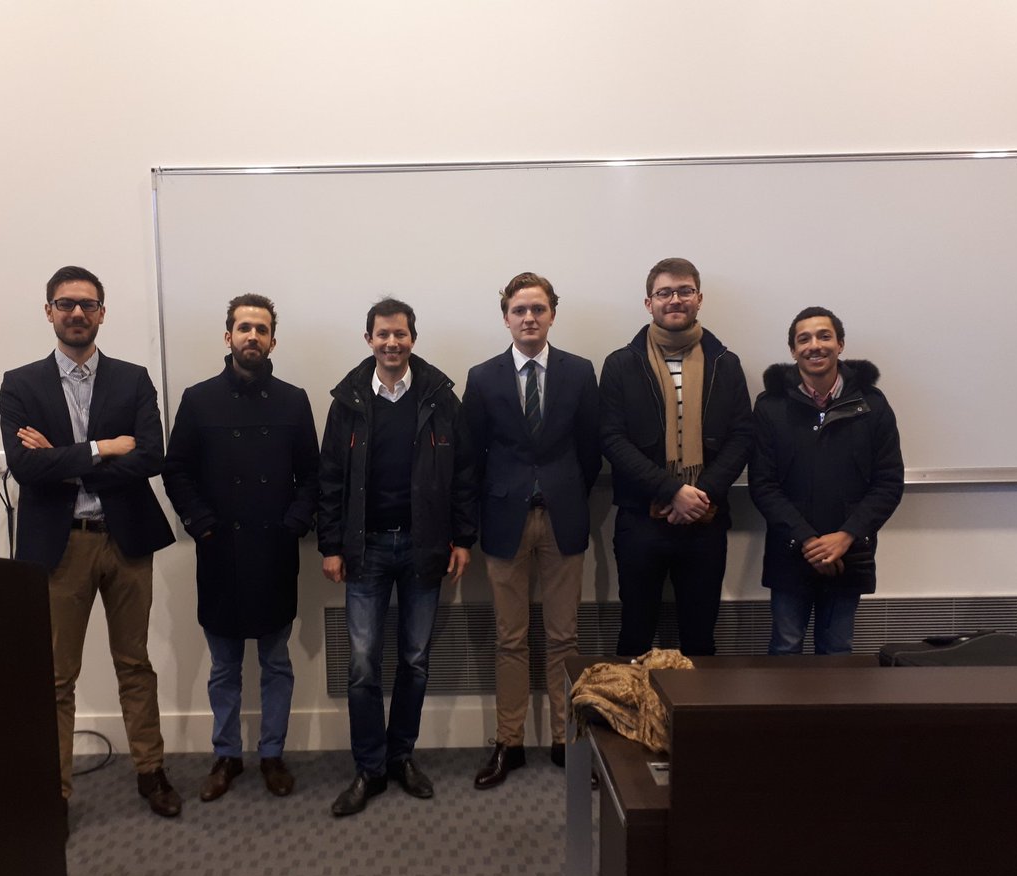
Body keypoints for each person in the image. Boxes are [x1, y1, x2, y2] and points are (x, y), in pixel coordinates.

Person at [0, 265, 180, 819]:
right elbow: (26, 468)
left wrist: (64, 461)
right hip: (60, 548)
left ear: (102, 312)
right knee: (56, 678)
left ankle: (151, 771)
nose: (77, 313)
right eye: (66, 303)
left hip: (125, 541)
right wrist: (103, 448)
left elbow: (151, 456)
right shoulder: (20, 384)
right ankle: (55, 795)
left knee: (135, 664)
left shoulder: (133, 379)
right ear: (48, 311)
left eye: (87, 304)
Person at [317, 297, 477, 816]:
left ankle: (401, 756)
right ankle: (369, 767)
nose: (392, 343)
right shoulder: (347, 401)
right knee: (363, 664)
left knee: (415, 660)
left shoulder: (440, 398)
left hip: (423, 547)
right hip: (364, 549)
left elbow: (463, 474)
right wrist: (331, 545)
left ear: (413, 338)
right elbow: (330, 479)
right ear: (369, 339)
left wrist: (463, 538)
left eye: (400, 334)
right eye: (382, 334)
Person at [163, 294, 319, 799]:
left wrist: (294, 524)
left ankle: (272, 754)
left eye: (262, 329)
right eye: (244, 327)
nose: (253, 336)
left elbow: (312, 476)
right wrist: (202, 524)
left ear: (273, 340)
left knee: (276, 663)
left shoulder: (294, 400)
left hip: (274, 551)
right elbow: (176, 470)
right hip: (220, 551)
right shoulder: (198, 399)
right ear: (228, 335)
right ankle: (226, 755)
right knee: (224, 667)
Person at [462, 272, 601, 789]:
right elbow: (472, 454)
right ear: (506, 318)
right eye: (519, 310)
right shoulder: (483, 377)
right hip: (504, 519)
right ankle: (510, 742)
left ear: (552, 315)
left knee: (565, 636)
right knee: (510, 638)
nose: (529, 318)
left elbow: (590, 450)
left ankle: (567, 742)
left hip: (563, 516)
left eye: (538, 309)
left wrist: (564, 490)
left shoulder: (579, 372)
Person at [600, 257, 753, 658]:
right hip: (641, 518)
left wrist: (699, 495)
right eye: (664, 292)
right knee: (635, 636)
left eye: (685, 291)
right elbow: (612, 439)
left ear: (699, 298)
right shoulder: (621, 364)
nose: (675, 300)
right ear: (648, 303)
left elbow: (742, 436)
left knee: (700, 641)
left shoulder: (725, 363)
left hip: (706, 518)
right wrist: (671, 490)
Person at [749, 306, 904, 654]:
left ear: (840, 344)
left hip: (850, 552)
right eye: (804, 339)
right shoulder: (770, 407)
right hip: (790, 550)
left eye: (824, 336)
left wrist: (845, 536)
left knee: (837, 651)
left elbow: (889, 482)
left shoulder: (872, 405)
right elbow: (763, 484)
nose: (814, 345)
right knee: (785, 647)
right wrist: (806, 539)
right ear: (793, 350)